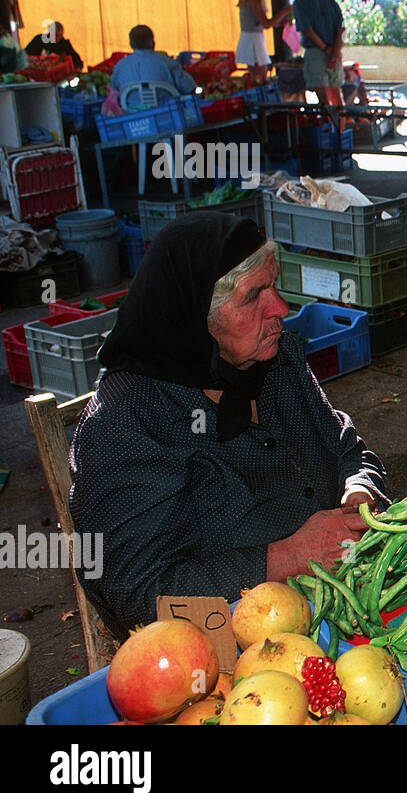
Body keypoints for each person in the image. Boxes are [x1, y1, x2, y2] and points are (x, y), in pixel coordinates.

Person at [68, 214, 387, 640]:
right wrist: (289, 556)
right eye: (253, 296)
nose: (280, 309)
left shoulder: (275, 359)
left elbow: (347, 448)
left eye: (273, 285)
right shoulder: (125, 424)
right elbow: (143, 597)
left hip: (343, 603)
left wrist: (358, 493)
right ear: (195, 314)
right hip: (226, 647)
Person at [293, 0, 345, 109]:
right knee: (337, 98)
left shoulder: (300, 2)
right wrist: (335, 52)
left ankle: (331, 129)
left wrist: (326, 49)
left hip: (317, 53)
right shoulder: (330, 1)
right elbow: (341, 30)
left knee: (324, 102)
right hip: (334, 51)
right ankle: (341, 129)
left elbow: (307, 30)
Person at [235, 0, 293, 83]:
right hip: (253, 41)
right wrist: (285, 11)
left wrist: (278, 22)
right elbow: (266, 24)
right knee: (260, 78)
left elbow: (260, 22)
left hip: (250, 38)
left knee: (255, 77)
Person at [109, 25, 196, 96]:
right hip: (167, 114)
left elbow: (113, 90)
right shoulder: (168, 63)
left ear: (131, 44)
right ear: (154, 43)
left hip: (131, 115)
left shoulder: (120, 66)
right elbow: (190, 87)